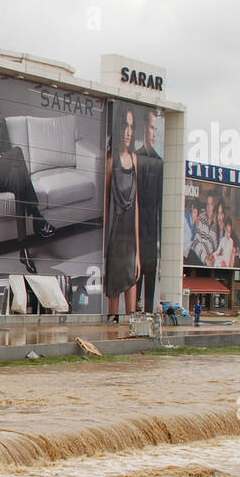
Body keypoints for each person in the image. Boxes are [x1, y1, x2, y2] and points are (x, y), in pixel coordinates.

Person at [0, 73, 55, 243]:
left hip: (1, 172)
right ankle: (37, 217)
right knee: (18, 152)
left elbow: (7, 149)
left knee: (17, 176)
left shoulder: (1, 121)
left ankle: (23, 250)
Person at [104, 108, 139, 319]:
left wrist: (138, 255)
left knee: (131, 284)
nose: (128, 132)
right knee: (114, 294)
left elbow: (137, 207)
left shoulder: (135, 159)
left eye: (132, 126)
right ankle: (111, 331)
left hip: (130, 241)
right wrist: (105, 245)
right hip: (115, 238)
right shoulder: (111, 161)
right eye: (125, 126)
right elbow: (106, 205)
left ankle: (132, 330)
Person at [134, 108, 163, 312]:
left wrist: (159, 239)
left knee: (151, 272)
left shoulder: (159, 161)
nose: (154, 133)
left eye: (157, 129)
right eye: (152, 128)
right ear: (144, 128)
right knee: (136, 275)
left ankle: (150, 312)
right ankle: (132, 311)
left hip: (152, 234)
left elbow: (161, 204)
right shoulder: (134, 157)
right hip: (136, 231)